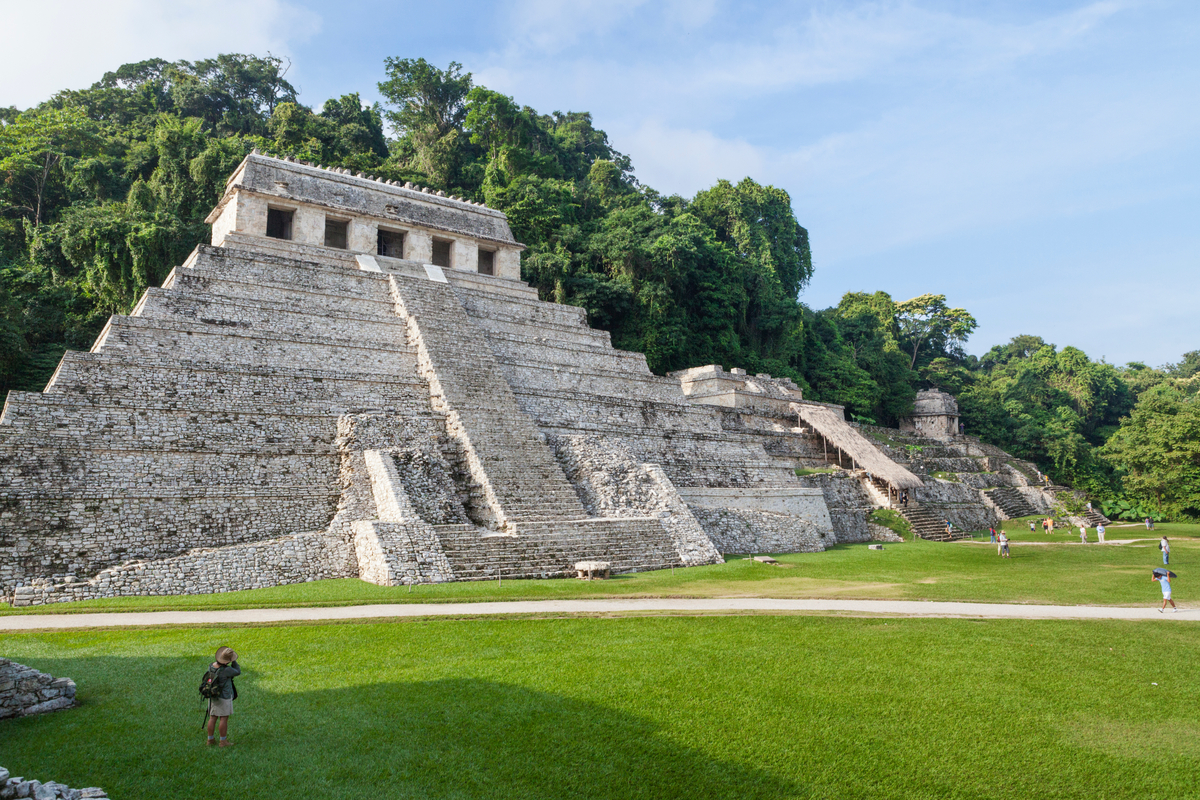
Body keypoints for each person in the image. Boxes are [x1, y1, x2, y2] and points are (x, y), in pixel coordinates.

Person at [205, 646, 241, 748]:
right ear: (227, 661)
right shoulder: (227, 670)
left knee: (212, 718)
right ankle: (223, 741)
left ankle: (210, 739)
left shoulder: (211, 666)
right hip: (224, 697)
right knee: (223, 719)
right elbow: (238, 671)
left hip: (213, 696)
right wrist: (234, 661)